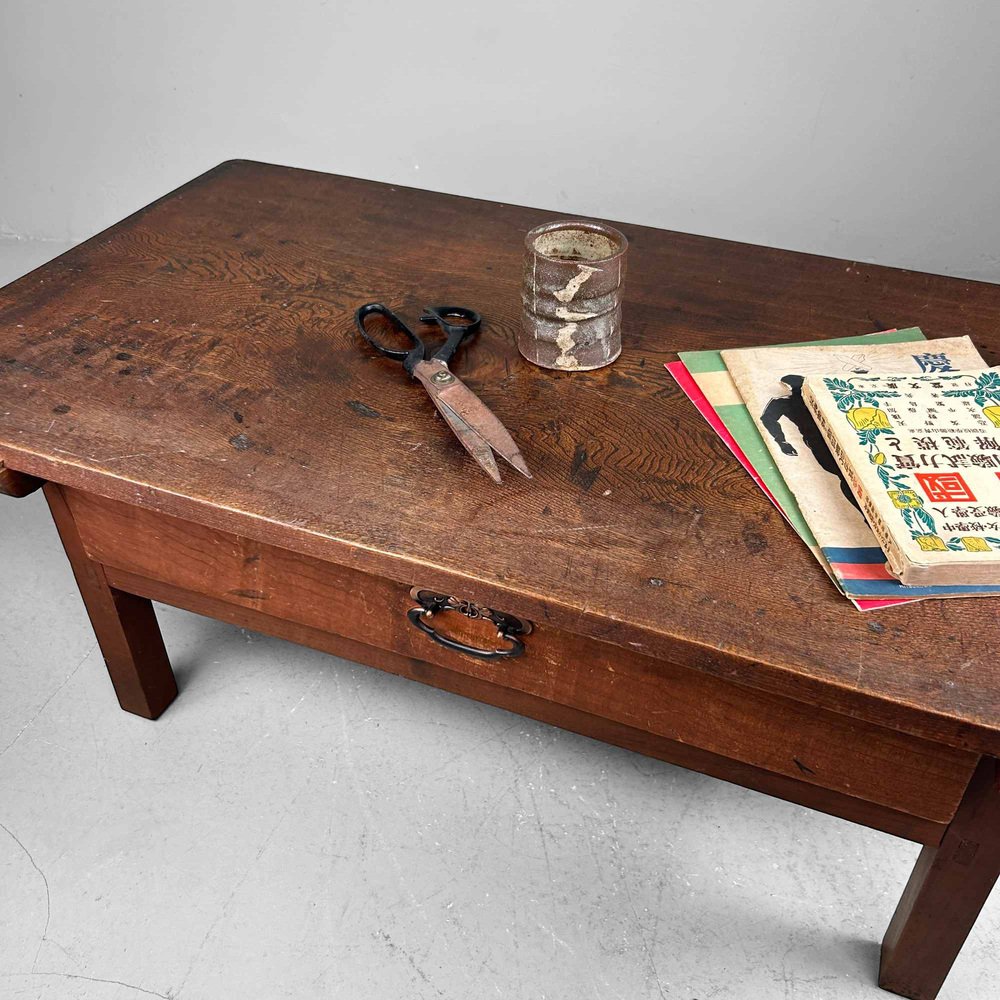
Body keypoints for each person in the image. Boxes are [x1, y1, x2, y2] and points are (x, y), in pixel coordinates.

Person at [760, 374, 862, 514]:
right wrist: (782, 441)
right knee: (844, 477)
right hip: (818, 443)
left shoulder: (827, 398)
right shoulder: (783, 402)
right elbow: (768, 419)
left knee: (851, 477)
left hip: (847, 440)